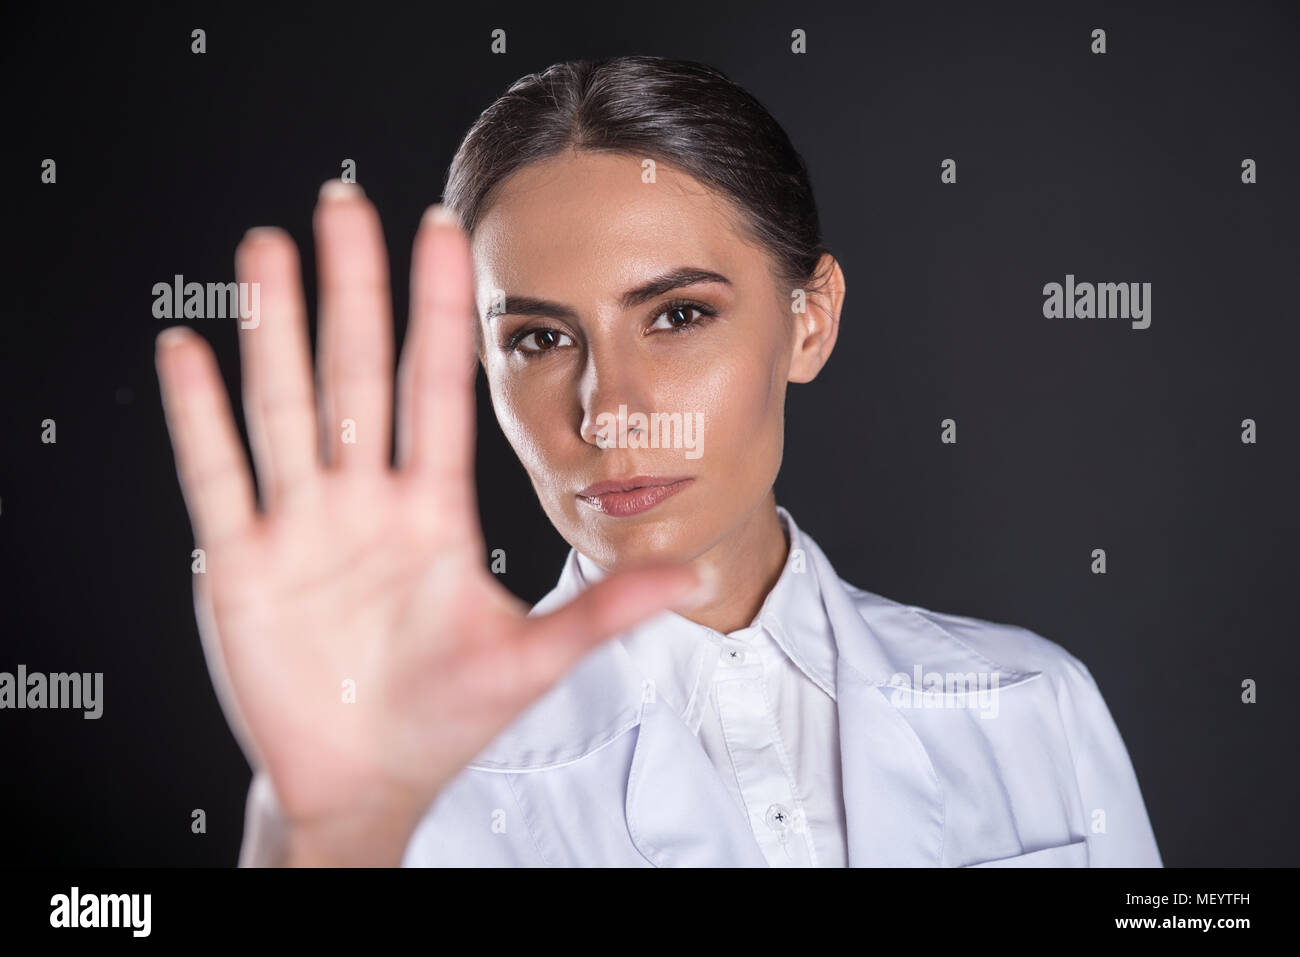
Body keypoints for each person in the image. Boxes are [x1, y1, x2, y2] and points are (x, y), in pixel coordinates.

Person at [154, 55, 1162, 867]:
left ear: (808, 323)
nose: (609, 413)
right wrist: (324, 845)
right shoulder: (413, 784)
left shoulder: (1034, 703)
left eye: (678, 316)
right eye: (538, 340)